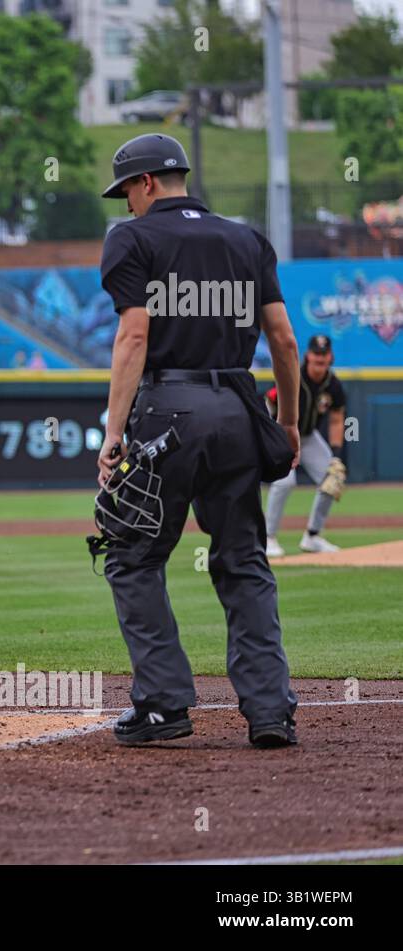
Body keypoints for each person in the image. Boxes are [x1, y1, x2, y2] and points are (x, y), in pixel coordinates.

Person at [95, 133, 302, 749]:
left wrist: (113, 432)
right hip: (241, 407)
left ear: (148, 183)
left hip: (167, 412)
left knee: (133, 556)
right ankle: (271, 712)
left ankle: (163, 706)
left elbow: (134, 337)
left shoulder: (131, 238)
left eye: (127, 190)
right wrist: (287, 422)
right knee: (243, 562)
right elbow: (285, 341)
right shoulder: (247, 239)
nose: (126, 203)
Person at [264, 334, 347, 556]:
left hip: (308, 437)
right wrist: (270, 436)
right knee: (285, 482)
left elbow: (338, 420)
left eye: (324, 355)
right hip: (282, 434)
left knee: (333, 478)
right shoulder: (293, 375)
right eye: (316, 354)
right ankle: (268, 537)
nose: (320, 359)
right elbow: (269, 401)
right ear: (308, 355)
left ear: (330, 357)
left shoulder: (334, 385)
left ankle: (312, 536)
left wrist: (336, 455)